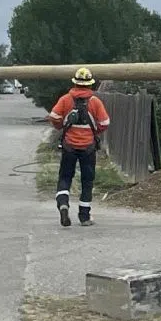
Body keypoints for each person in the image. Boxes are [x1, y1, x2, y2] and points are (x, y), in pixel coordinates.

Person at [46, 67, 110, 228]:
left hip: (69, 146)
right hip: (88, 148)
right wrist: (95, 131)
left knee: (65, 177)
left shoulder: (66, 99)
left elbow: (54, 116)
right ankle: (84, 216)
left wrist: (61, 126)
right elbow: (104, 123)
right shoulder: (95, 101)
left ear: (75, 82)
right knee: (87, 181)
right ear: (90, 85)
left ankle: (63, 203)